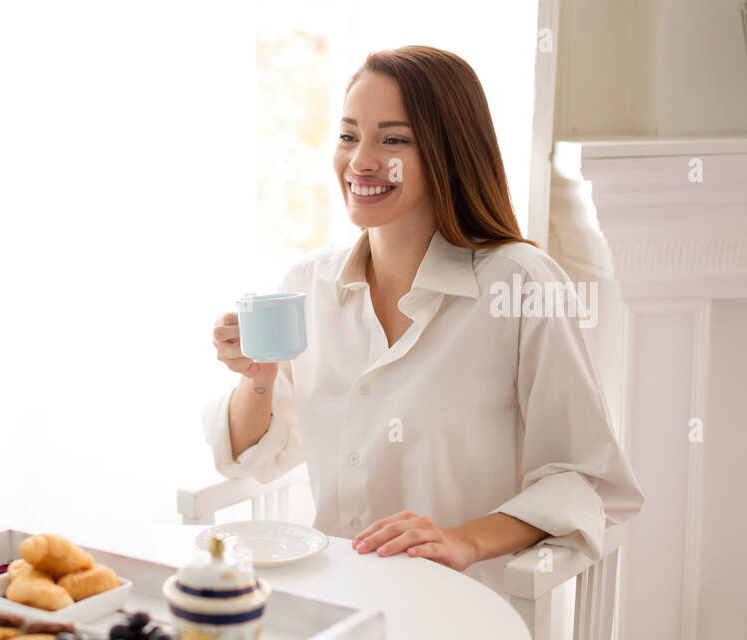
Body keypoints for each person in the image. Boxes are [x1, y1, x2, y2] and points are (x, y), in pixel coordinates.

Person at [205, 46, 643, 596]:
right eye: (348, 136)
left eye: (393, 140)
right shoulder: (308, 284)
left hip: (466, 616)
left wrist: (465, 539)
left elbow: (584, 477)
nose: (361, 161)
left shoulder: (522, 286)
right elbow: (255, 456)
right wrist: (257, 375)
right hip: (330, 606)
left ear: (447, 151)